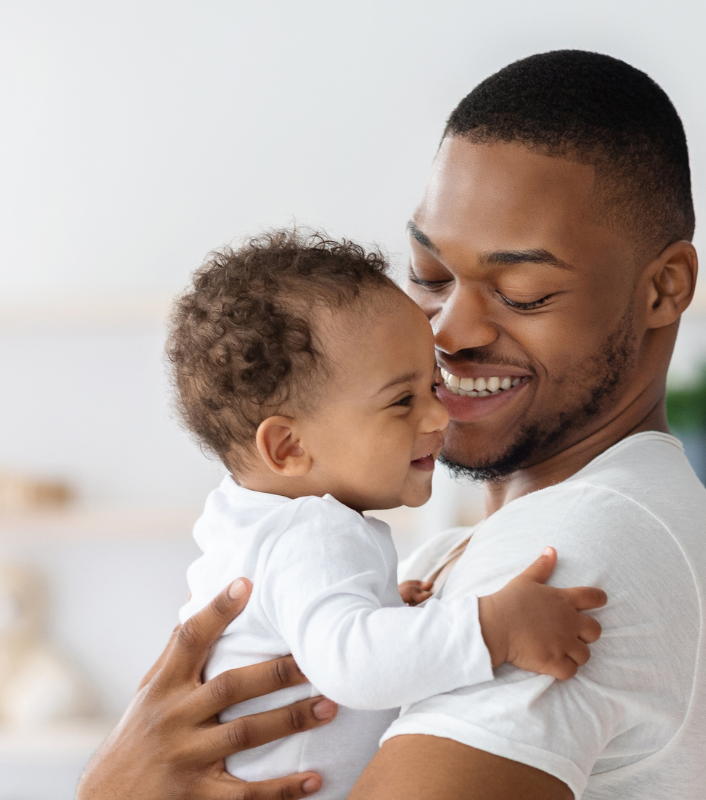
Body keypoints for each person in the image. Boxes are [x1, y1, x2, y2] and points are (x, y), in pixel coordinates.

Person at [77, 49, 706, 800]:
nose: (449, 331)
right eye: (430, 277)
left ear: (664, 288)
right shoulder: (448, 553)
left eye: (523, 291)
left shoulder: (579, 550)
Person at [166, 230, 607, 799]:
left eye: (433, 385)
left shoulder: (245, 520)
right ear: (288, 448)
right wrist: (494, 627)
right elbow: (354, 663)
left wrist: (387, 609)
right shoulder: (312, 532)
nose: (437, 416)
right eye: (403, 401)